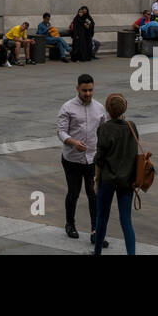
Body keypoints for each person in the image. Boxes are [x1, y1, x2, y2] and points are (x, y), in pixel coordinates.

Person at [57, 74, 106, 241]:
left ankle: (95, 230)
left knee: (94, 194)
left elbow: (103, 132)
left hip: (93, 159)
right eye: (84, 90)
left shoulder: (99, 108)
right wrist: (72, 142)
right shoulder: (67, 107)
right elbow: (61, 131)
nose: (88, 94)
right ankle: (70, 224)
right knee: (73, 193)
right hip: (72, 158)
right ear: (77, 88)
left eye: (91, 90)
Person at [92, 92, 139, 256]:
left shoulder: (104, 128)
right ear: (124, 108)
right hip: (127, 180)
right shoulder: (131, 127)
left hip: (108, 179)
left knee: (102, 217)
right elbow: (133, 154)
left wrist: (96, 181)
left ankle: (97, 252)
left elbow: (99, 159)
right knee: (126, 220)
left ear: (107, 110)